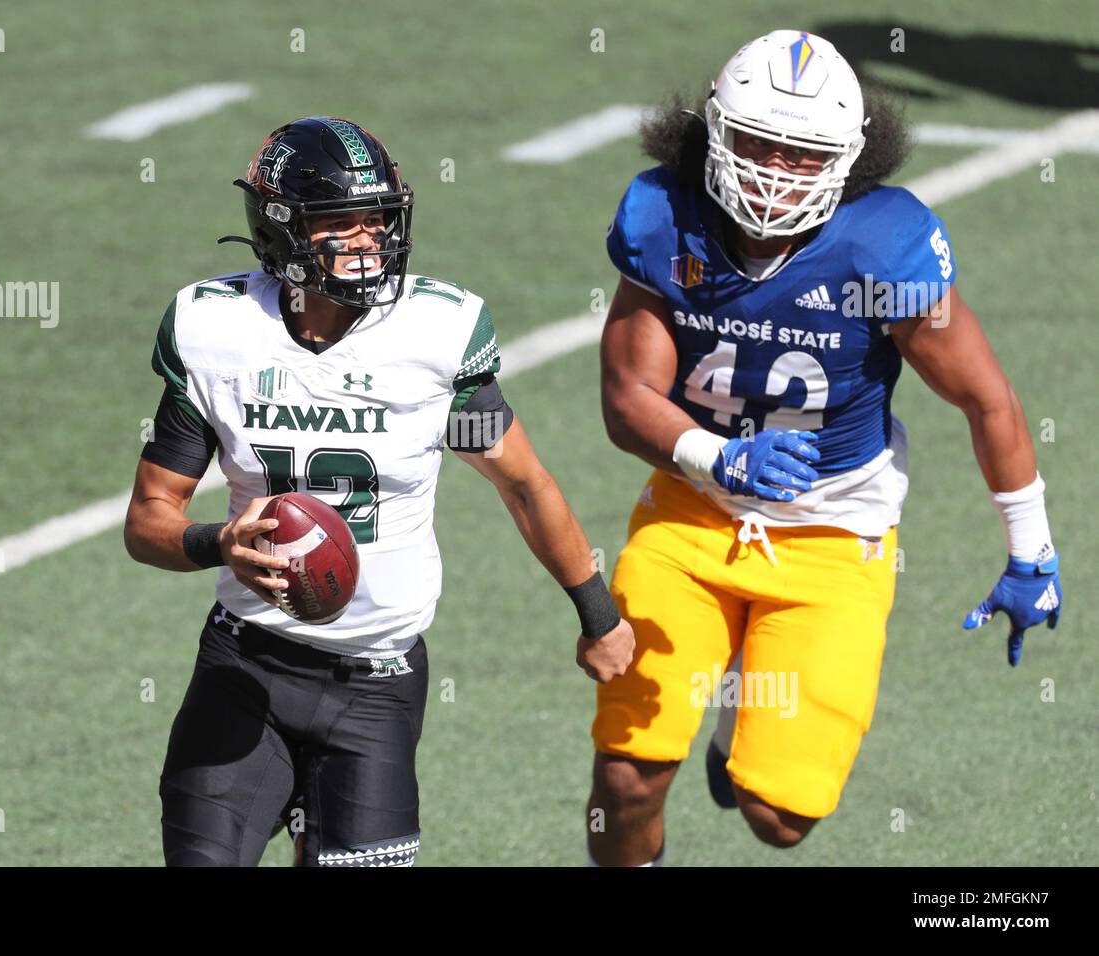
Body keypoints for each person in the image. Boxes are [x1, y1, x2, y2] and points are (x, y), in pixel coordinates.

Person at [587, 30, 1063, 866]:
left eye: (804, 155)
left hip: (835, 531)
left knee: (779, 817)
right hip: (692, 516)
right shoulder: (668, 215)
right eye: (759, 143)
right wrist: (715, 458)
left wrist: (1032, 550)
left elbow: (986, 398)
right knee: (628, 776)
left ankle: (738, 712)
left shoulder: (883, 245)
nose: (775, 171)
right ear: (714, 134)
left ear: (848, 160)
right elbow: (629, 398)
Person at [123, 116, 635, 867]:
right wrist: (217, 543)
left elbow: (524, 485)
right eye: (340, 224)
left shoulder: (429, 339)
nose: (367, 242)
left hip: (376, 683)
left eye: (378, 221)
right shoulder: (220, 331)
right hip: (244, 666)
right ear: (282, 228)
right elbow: (148, 520)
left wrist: (597, 612)